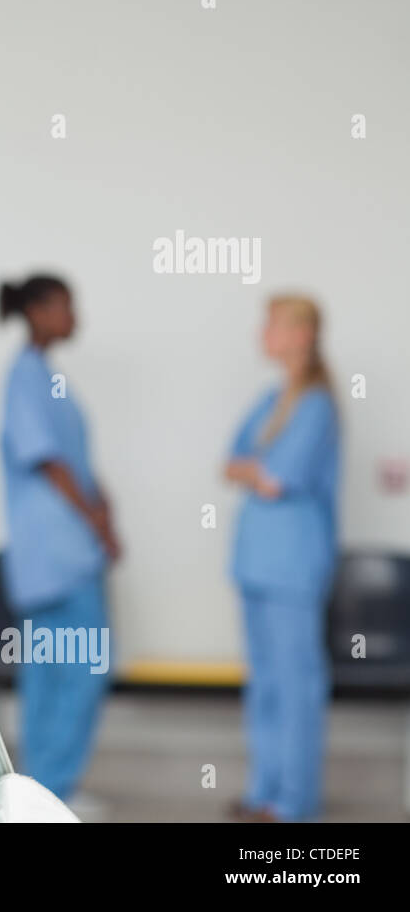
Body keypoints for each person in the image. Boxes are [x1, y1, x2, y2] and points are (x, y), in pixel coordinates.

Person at [0, 272, 117, 811]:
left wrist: (101, 504)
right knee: (77, 668)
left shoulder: (45, 376)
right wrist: (96, 518)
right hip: (58, 554)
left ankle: (44, 792)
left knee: (53, 671)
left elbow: (74, 459)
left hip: (59, 554)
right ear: (40, 311)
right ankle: (52, 791)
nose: (77, 319)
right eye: (68, 307)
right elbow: (47, 459)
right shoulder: (26, 377)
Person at [224, 294, 339, 823]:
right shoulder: (274, 399)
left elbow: (272, 480)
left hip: (294, 567)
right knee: (266, 685)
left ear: (300, 334)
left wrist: (255, 470)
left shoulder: (317, 405)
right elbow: (231, 461)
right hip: (257, 566)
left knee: (296, 688)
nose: (260, 333)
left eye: (270, 325)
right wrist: (254, 470)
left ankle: (293, 805)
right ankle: (264, 795)